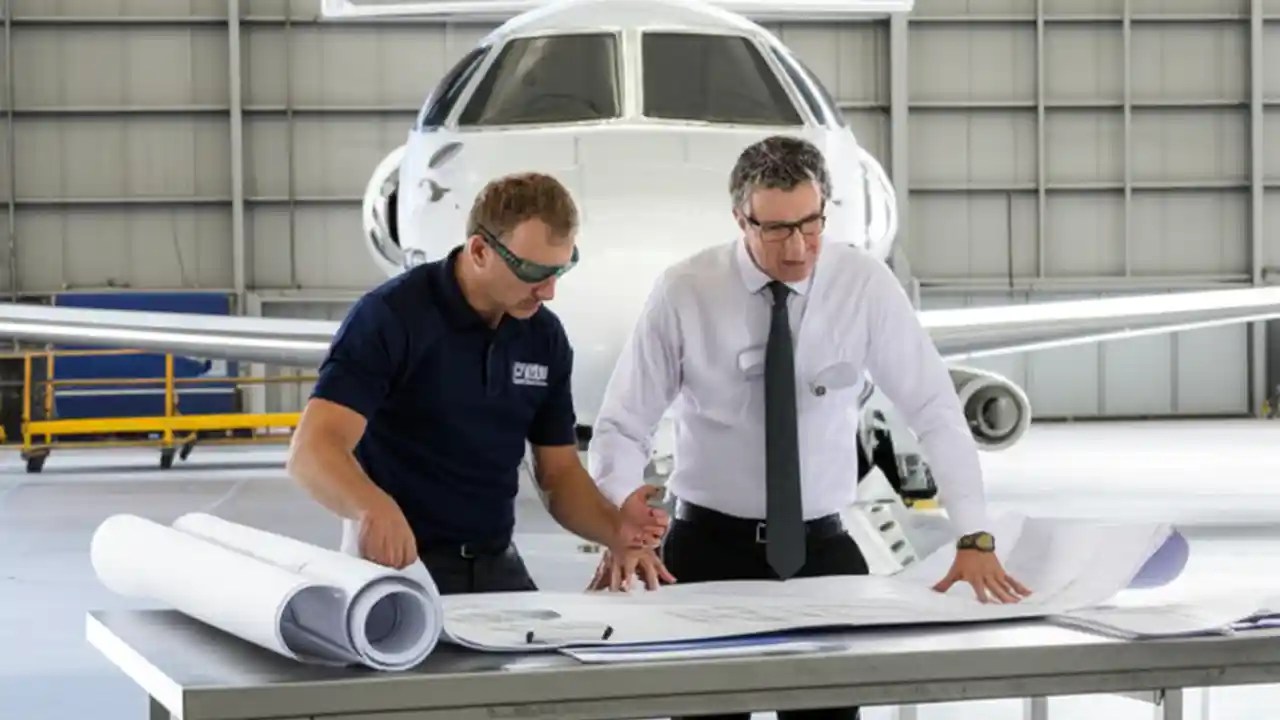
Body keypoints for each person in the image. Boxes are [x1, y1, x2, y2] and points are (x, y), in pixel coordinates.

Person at [585, 136, 1030, 720]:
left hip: (825, 555)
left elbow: (935, 410)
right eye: (774, 230)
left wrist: (974, 535)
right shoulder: (685, 291)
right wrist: (623, 520)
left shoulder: (863, 286)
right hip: (705, 557)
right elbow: (621, 425)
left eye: (811, 224)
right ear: (739, 218)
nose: (797, 249)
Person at [287, 171, 670, 595]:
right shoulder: (392, 318)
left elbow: (559, 475)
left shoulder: (543, 338)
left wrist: (616, 528)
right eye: (534, 271)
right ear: (480, 250)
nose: (549, 291)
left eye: (561, 269)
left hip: (495, 564)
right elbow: (312, 449)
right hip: (397, 566)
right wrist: (371, 507)